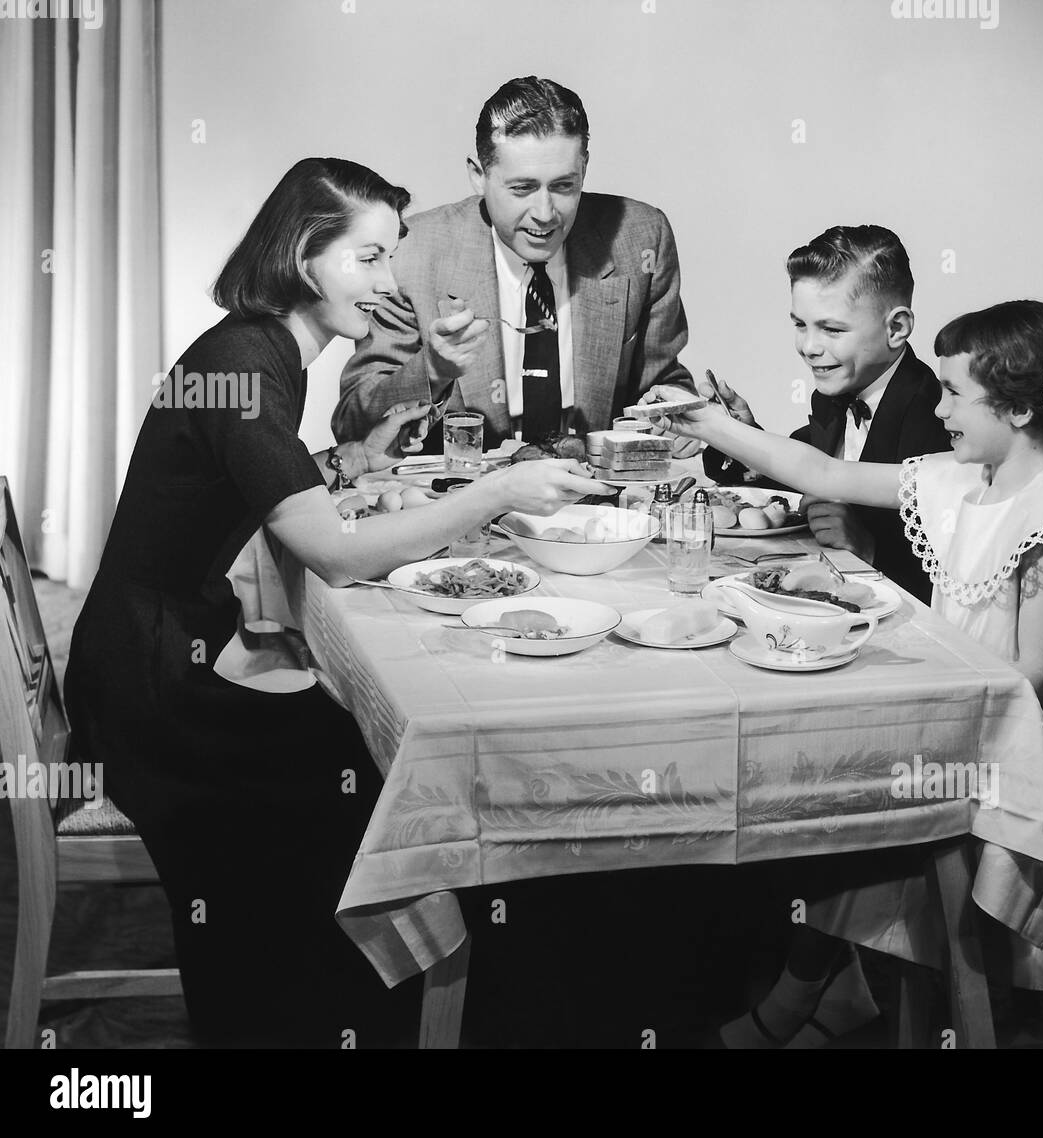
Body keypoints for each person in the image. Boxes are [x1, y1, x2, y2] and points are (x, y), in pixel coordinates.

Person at [63, 158, 609, 1048]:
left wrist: (369, 450)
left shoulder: (253, 350)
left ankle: (392, 998)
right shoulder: (245, 364)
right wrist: (492, 496)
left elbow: (268, 478)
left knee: (360, 746)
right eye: (368, 258)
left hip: (147, 650)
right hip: (154, 690)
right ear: (302, 257)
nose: (391, 282)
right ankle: (363, 1009)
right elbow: (336, 555)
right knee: (365, 770)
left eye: (392, 257)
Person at [647, 300, 1043, 1047]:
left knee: (858, 784)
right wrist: (711, 424)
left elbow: (1031, 675)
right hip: (966, 700)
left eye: (953, 394)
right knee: (840, 769)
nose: (937, 409)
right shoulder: (960, 477)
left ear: (1018, 405)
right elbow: (824, 470)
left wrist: (924, 681)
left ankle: (813, 992)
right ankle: (825, 990)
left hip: (1026, 738)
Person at [330, 76, 694, 452]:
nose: (545, 214)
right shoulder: (411, 252)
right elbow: (353, 425)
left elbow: (662, 382)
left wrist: (678, 416)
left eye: (564, 186)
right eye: (522, 189)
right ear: (478, 175)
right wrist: (434, 370)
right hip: (463, 500)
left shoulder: (640, 237)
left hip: (597, 499)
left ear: (584, 168)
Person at [694, 225, 950, 601]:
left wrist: (871, 550)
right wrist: (743, 434)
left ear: (896, 327)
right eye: (800, 324)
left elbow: (957, 578)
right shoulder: (834, 395)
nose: (809, 347)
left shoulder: (938, 419)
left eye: (831, 329)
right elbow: (802, 477)